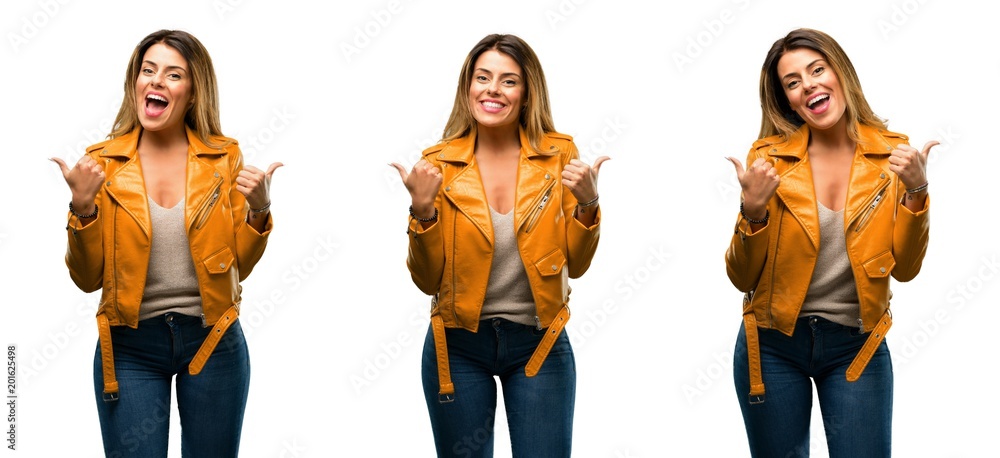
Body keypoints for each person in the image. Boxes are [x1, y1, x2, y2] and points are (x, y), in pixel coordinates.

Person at [52, 29, 281, 457]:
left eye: (173, 75)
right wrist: (82, 208)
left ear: (193, 94)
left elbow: (236, 268)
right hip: (129, 346)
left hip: (213, 339)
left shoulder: (222, 157)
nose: (156, 81)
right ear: (134, 83)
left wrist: (258, 211)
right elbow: (86, 280)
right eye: (148, 70)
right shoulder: (100, 163)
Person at [391, 34, 608, 457]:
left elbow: (576, 266)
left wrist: (588, 203)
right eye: (482, 77)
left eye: (509, 81)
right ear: (467, 87)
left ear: (527, 94)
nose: (492, 88)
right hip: (456, 345)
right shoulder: (436, 163)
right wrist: (422, 211)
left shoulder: (558, 154)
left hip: (540, 341)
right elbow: (426, 279)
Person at [724, 28, 935, 457]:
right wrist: (753, 211)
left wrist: (916, 193)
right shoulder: (769, 159)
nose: (809, 85)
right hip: (772, 343)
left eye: (817, 70)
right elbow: (741, 276)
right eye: (793, 82)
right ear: (786, 99)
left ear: (840, 72)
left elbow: (906, 269)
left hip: (858, 344)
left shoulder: (893, 157)